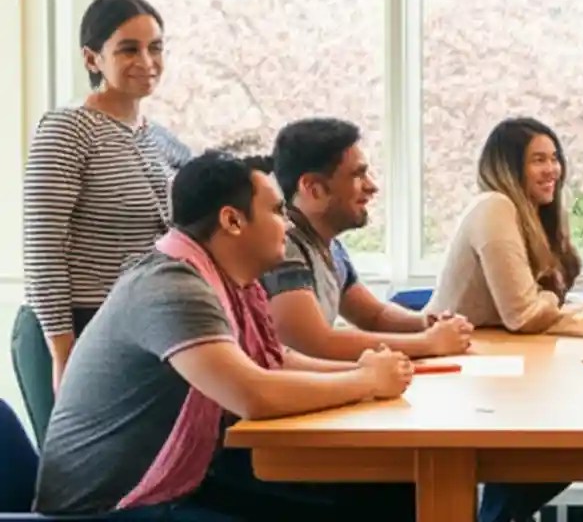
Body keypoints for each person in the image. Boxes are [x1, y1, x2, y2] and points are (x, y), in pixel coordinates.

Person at [33, 151, 415, 520]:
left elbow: (274, 360)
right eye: (277, 211)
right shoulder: (172, 285)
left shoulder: (225, 281)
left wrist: (362, 371)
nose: (289, 225)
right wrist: (366, 382)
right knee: (378, 501)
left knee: (387, 493)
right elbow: (252, 394)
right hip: (114, 508)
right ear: (232, 220)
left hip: (183, 483)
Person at [15, 0, 191, 445]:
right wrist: (63, 352)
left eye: (155, 48)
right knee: (82, 470)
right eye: (129, 49)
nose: (147, 62)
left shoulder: (158, 137)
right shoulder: (67, 128)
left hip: (137, 325)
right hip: (74, 328)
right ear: (92, 58)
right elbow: (42, 247)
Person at [261, 117, 472, 360]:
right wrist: (428, 343)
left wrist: (426, 323)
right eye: (358, 175)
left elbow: (374, 316)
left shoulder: (330, 246)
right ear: (313, 189)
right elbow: (314, 343)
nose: (372, 186)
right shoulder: (284, 247)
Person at [425, 117, 582, 332]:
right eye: (538, 160)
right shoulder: (494, 206)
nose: (552, 169)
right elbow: (524, 317)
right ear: (508, 168)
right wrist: (550, 296)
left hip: (489, 343)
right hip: (449, 344)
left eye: (554, 159)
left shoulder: (537, 215)